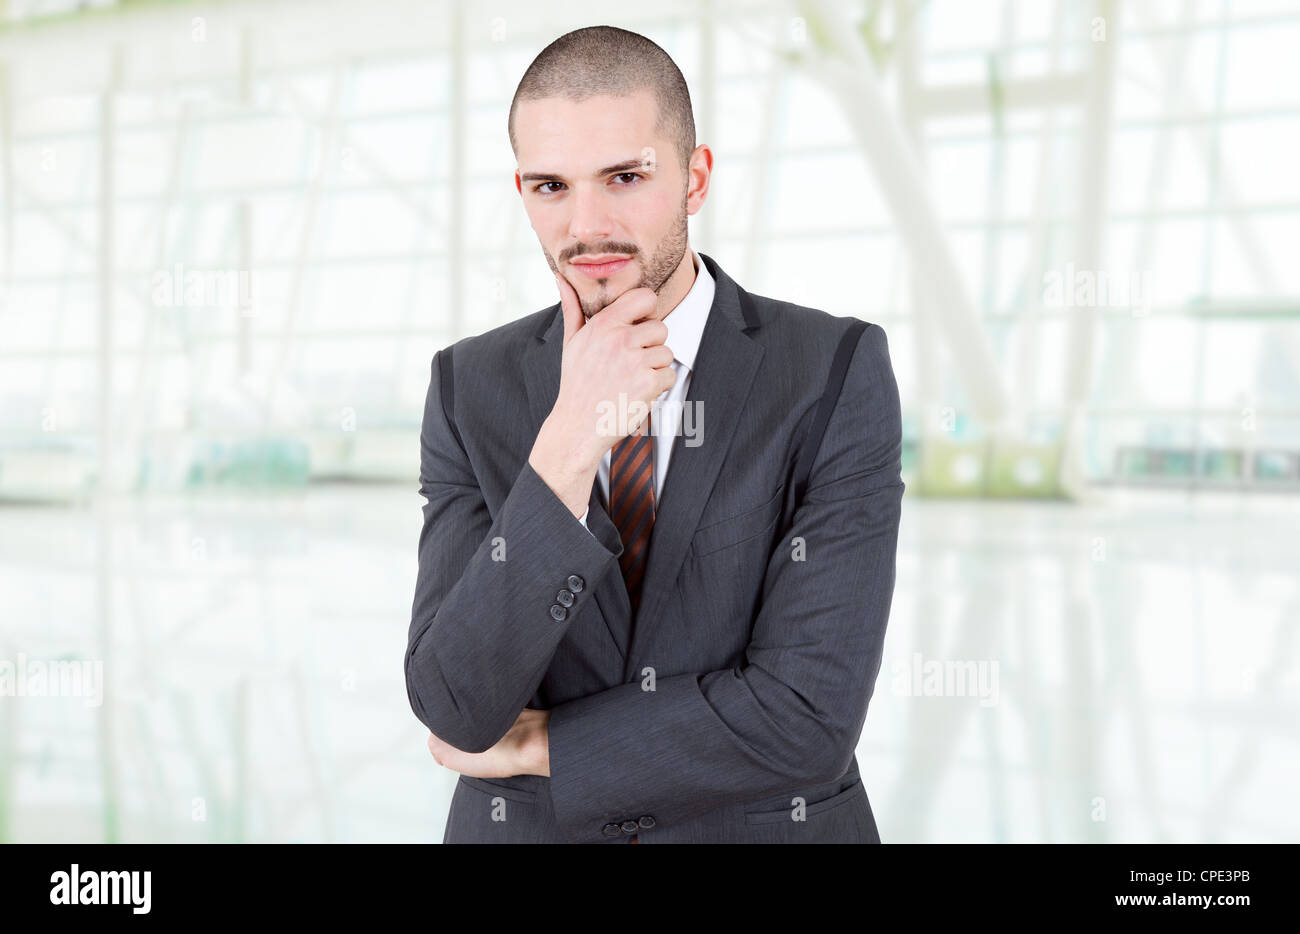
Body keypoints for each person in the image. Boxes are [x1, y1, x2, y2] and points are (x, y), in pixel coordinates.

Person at [405, 24, 903, 843]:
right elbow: (458, 706)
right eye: (551, 187)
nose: (587, 226)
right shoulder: (470, 387)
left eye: (626, 177)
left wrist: (545, 746)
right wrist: (568, 442)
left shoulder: (829, 370)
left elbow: (808, 716)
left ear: (694, 178)